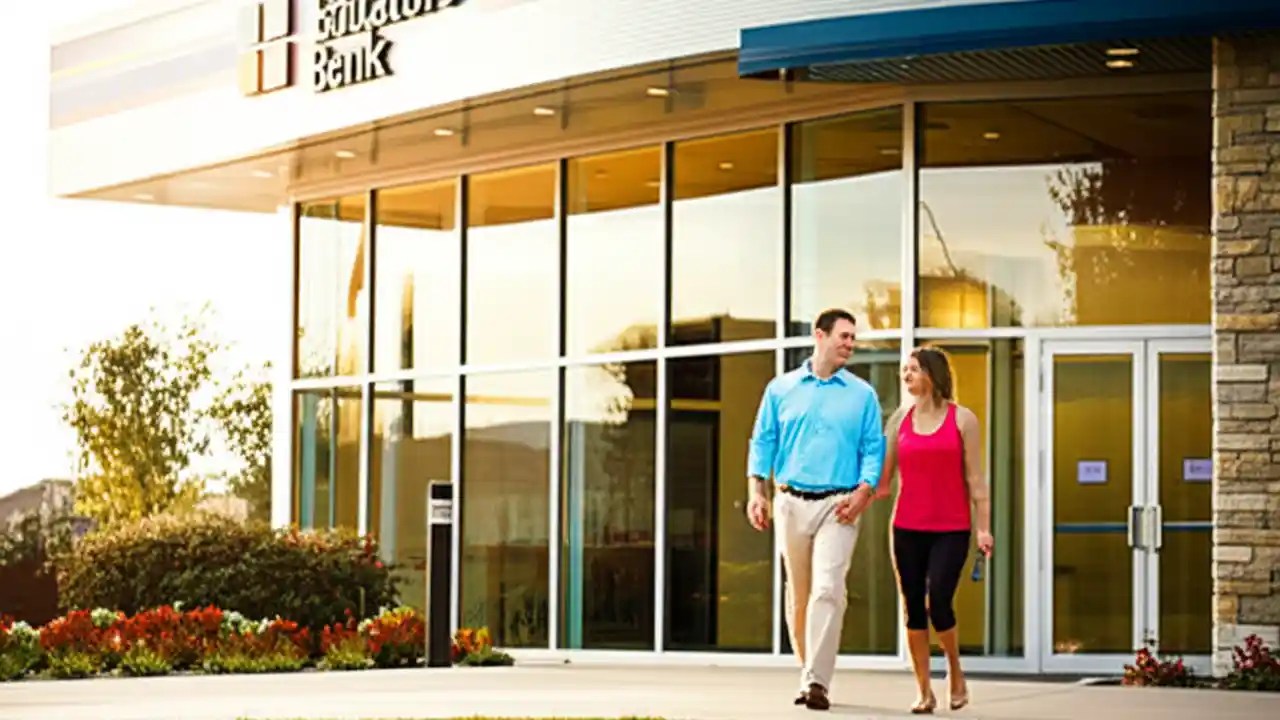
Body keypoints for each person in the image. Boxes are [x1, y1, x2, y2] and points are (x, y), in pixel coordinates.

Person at [745, 308, 886, 712]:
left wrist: (864, 492)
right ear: (819, 336)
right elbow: (762, 442)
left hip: (839, 505)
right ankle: (808, 672)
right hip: (790, 502)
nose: (850, 343)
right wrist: (757, 491)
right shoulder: (780, 389)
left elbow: (872, 450)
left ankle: (817, 683)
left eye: (853, 338)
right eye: (843, 336)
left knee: (829, 589)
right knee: (800, 595)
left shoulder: (862, 395)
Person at [877, 347, 993, 714]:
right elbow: (882, 481)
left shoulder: (963, 420)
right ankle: (924, 691)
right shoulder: (898, 421)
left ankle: (955, 673)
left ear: (932, 373)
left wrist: (984, 529)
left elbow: (976, 478)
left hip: (952, 527)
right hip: (906, 527)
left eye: (913, 369)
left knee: (938, 601)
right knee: (913, 606)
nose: (906, 375)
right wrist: (849, 499)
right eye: (904, 370)